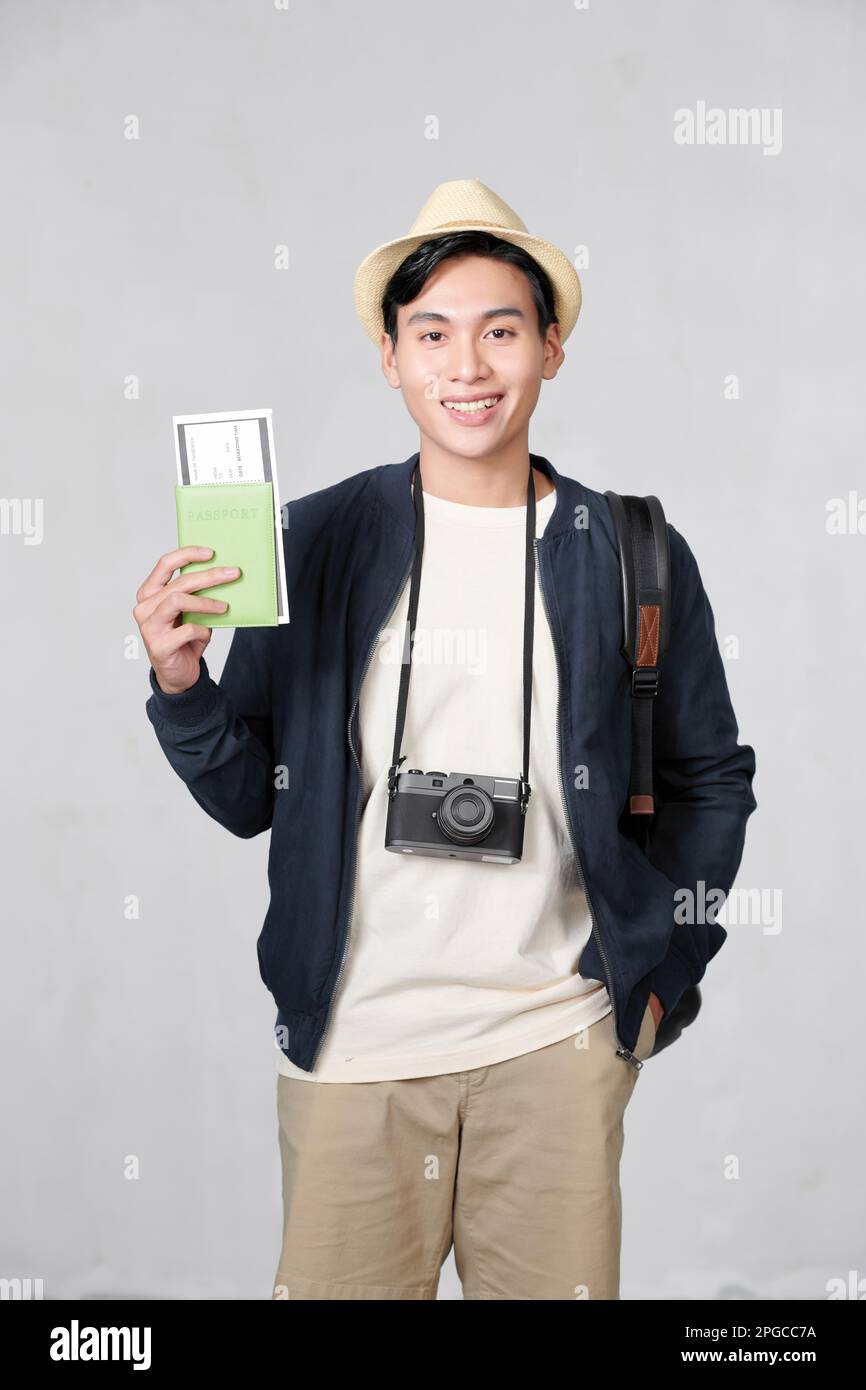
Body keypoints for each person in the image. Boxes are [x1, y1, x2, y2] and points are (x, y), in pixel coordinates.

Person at [133, 180, 757, 1300]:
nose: (465, 367)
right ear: (390, 357)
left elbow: (709, 775)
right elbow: (247, 796)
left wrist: (663, 972)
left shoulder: (631, 552)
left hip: (555, 1047)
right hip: (356, 1047)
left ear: (550, 350)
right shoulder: (316, 539)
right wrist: (182, 683)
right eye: (432, 334)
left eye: (498, 330)